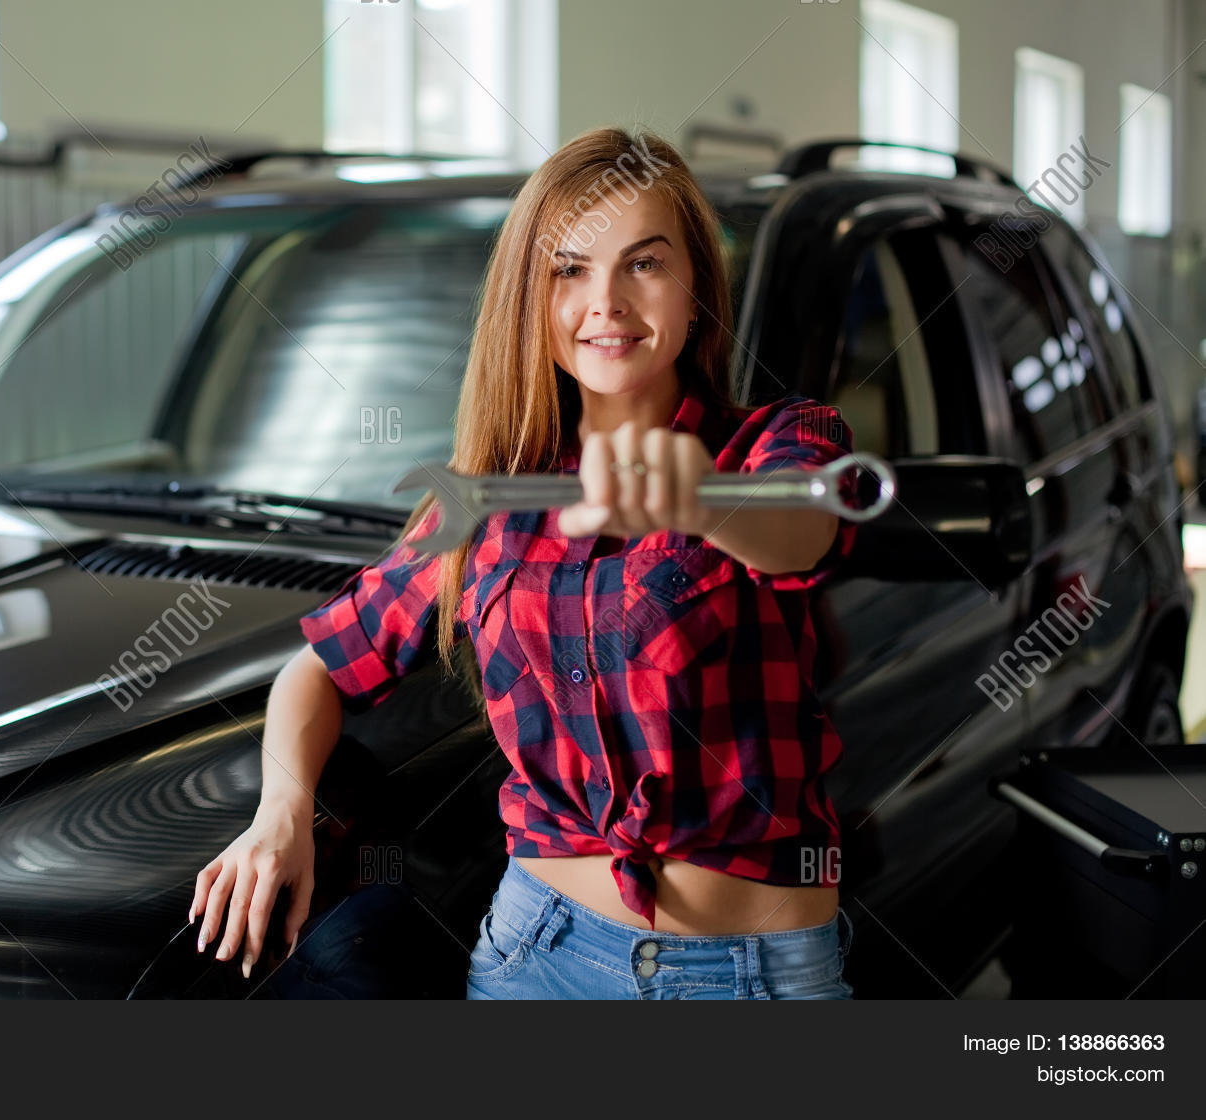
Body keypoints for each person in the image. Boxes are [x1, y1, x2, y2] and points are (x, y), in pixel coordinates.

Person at [188, 125, 859, 999]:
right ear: (530, 299)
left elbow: (804, 527)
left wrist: (700, 502)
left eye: (644, 264)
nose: (606, 302)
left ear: (696, 289)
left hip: (752, 975)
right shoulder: (482, 504)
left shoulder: (780, 442)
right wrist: (282, 811)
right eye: (570, 270)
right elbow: (318, 666)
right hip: (536, 956)